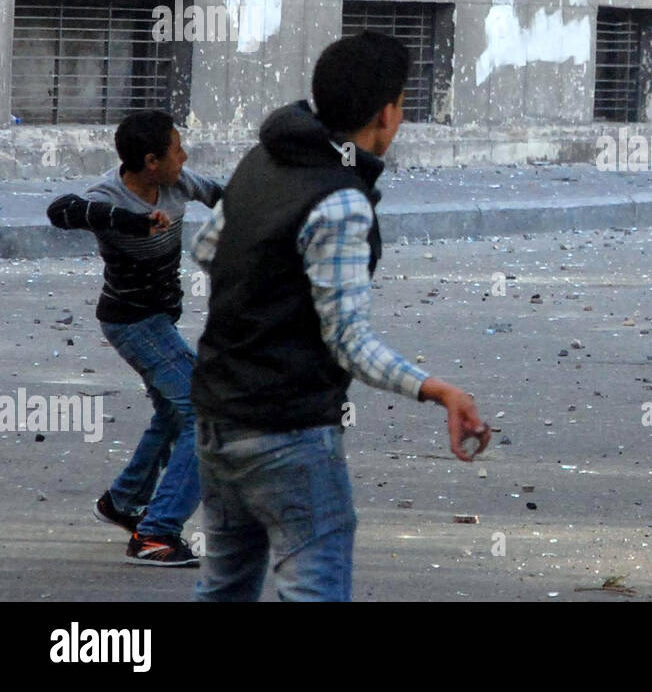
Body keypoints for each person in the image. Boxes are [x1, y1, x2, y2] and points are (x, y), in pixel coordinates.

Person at [190, 31, 489, 601]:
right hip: (288, 433)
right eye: (401, 104)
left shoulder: (263, 160)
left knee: (224, 586)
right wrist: (439, 390)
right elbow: (348, 340)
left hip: (216, 419)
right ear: (385, 114)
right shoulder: (341, 201)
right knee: (314, 589)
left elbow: (207, 249)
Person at [46, 111, 223, 567]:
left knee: (173, 412)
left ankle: (124, 502)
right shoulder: (107, 194)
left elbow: (226, 197)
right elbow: (60, 210)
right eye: (177, 149)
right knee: (206, 413)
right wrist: (130, 222)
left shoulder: (178, 182)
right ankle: (156, 534)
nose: (184, 156)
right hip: (131, 323)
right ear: (150, 161)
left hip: (159, 320)